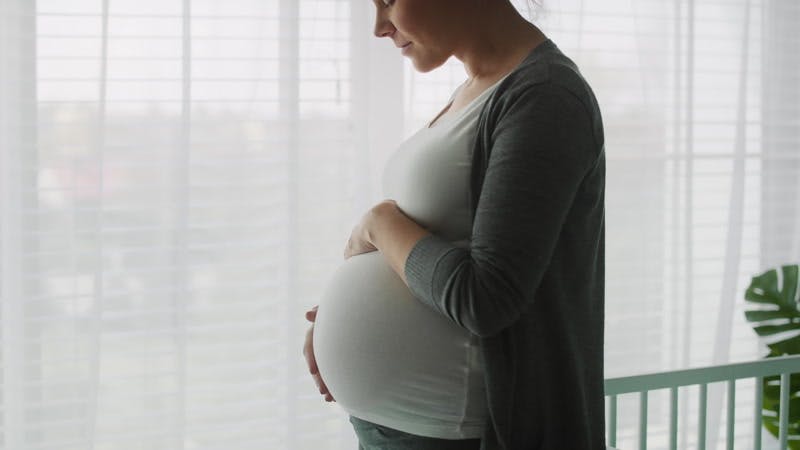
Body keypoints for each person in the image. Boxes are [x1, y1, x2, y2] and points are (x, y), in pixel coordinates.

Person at [303, 0, 606, 448]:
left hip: (452, 434)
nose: (377, 27)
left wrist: (379, 224)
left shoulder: (546, 97)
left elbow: (485, 297)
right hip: (397, 430)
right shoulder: (479, 87)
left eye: (387, 0)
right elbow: (441, 242)